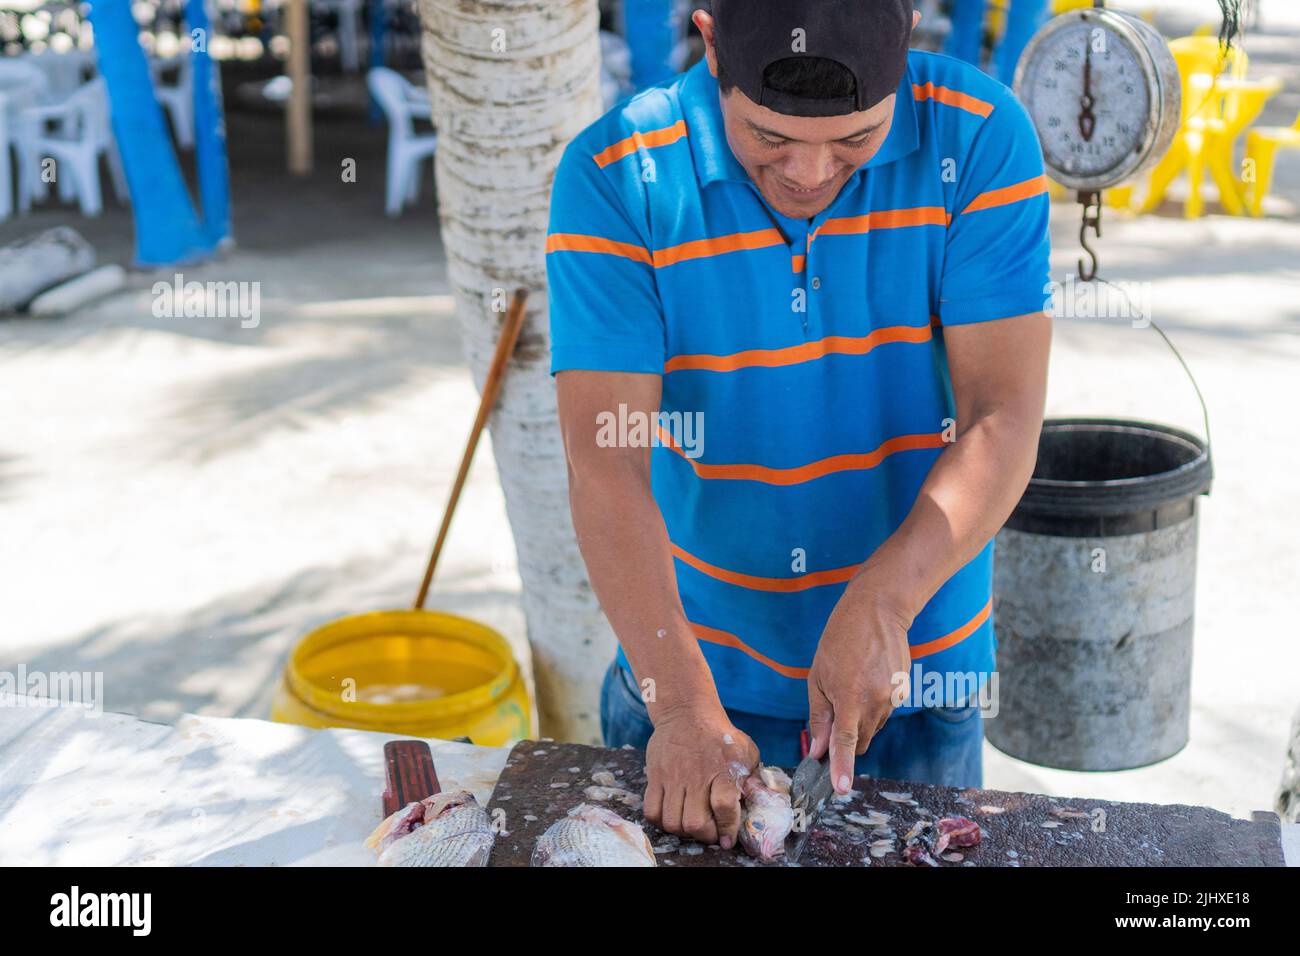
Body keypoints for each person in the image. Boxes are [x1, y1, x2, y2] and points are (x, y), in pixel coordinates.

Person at [547, 0, 1051, 850]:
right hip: (687, 664)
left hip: (914, 678)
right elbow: (609, 462)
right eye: (769, 138)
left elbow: (1001, 418)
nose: (811, 173)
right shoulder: (614, 175)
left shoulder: (982, 138)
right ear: (711, 46)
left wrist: (885, 600)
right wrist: (679, 702)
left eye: (855, 141)